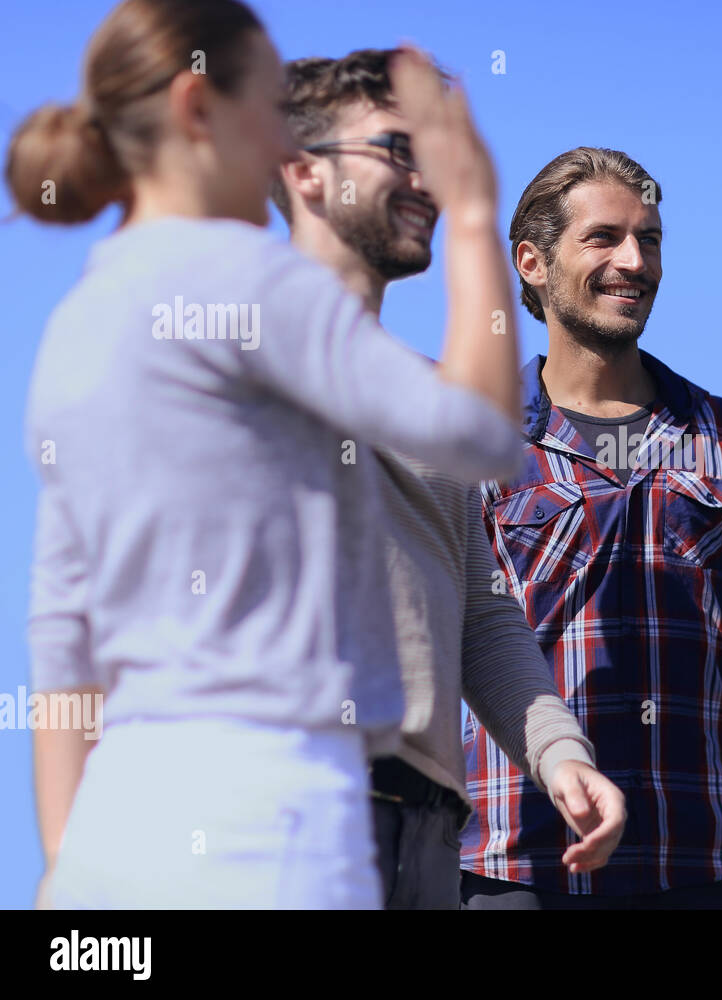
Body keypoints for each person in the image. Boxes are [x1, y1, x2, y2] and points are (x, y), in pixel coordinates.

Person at [9, 0, 523, 908]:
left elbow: (61, 638)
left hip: (114, 831)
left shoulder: (75, 325)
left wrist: (62, 871)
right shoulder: (249, 279)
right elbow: (481, 434)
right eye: (267, 111)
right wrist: (476, 212)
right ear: (198, 109)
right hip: (268, 822)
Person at [272, 49, 626, 908]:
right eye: (399, 148)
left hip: (424, 823)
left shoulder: (422, 394)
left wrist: (560, 754)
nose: (428, 177)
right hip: (292, 801)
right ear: (303, 174)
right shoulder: (242, 350)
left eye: (436, 155)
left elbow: (475, 609)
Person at [459, 147, 722, 910]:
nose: (634, 261)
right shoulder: (468, 438)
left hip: (696, 870)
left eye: (650, 239)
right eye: (604, 238)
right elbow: (443, 642)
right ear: (532, 262)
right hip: (512, 870)